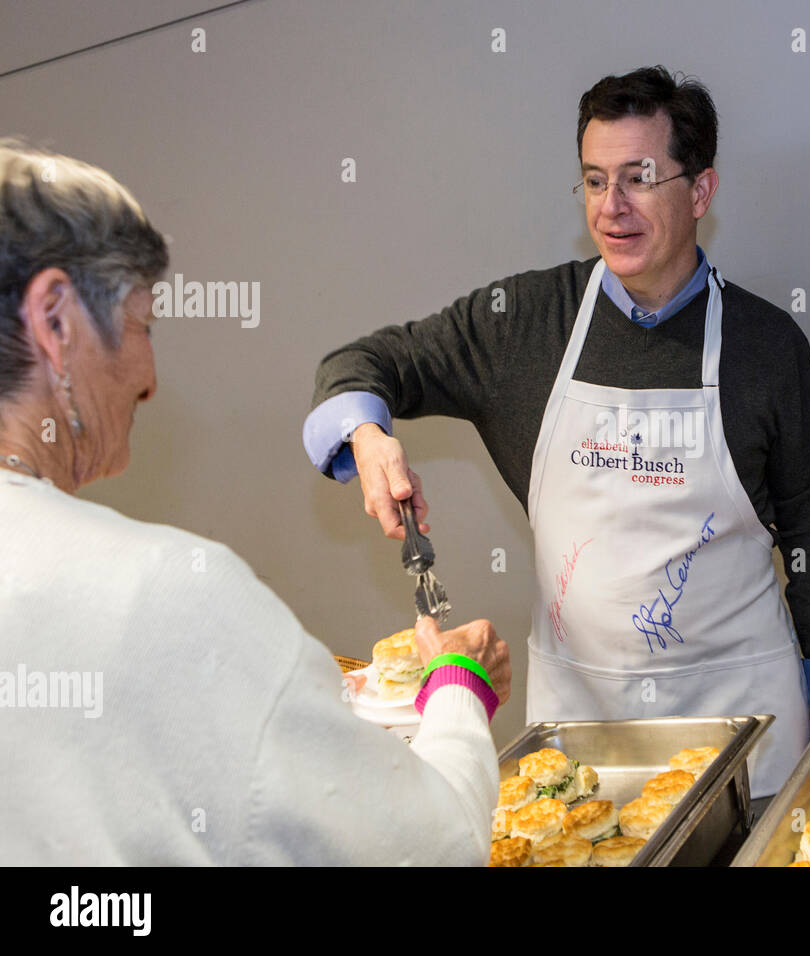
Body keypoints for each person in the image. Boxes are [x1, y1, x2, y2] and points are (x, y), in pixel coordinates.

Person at [302, 66, 810, 797]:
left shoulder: (766, 345)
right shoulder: (525, 324)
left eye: (639, 177)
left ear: (699, 191)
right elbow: (365, 361)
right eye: (595, 181)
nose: (613, 208)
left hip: (747, 742)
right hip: (583, 742)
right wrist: (366, 437)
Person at [0, 139, 510, 865]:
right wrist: (459, 688)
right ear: (54, 321)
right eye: (143, 324)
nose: (149, 379)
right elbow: (432, 848)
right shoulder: (161, 591)